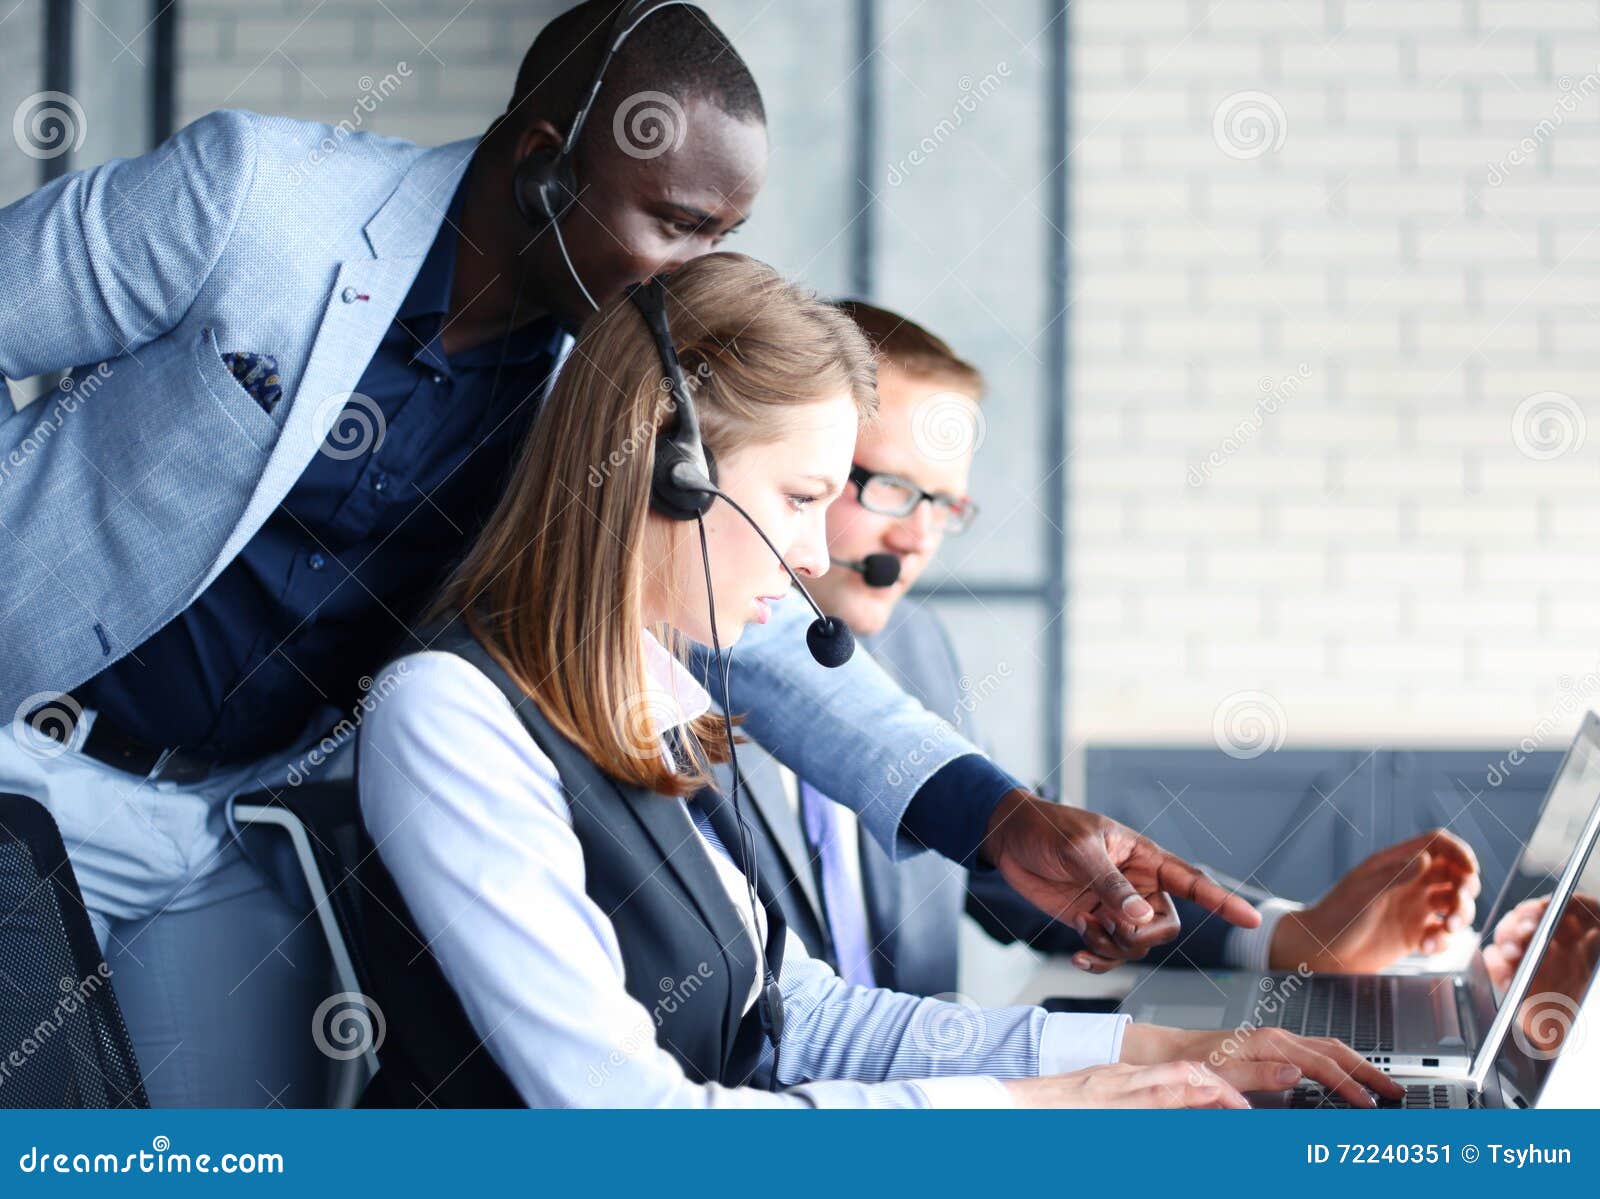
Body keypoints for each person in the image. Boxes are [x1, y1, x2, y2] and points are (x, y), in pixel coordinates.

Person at [0, 0, 1274, 1103]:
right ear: (546, 166)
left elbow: (760, 615)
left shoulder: (603, 378)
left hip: (233, 826)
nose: (693, 273)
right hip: (28, 745)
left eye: (722, 234)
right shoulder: (256, 200)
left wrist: (990, 814)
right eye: (675, 223)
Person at [354, 252, 1398, 1108]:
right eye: (803, 494)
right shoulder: (451, 714)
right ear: (667, 472)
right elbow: (631, 1122)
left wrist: (1156, 1048)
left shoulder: (653, 699)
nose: (813, 552)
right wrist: (1051, 1107)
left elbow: (799, 1015)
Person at [725, 299, 1481, 994]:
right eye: (890, 486)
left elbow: (1005, 868)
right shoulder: (688, 666)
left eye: (944, 504)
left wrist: (1291, 935)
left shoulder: (917, 646)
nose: (918, 537)